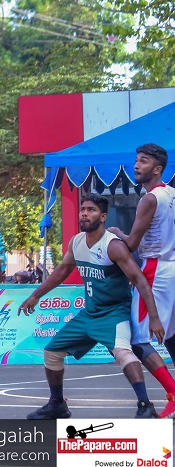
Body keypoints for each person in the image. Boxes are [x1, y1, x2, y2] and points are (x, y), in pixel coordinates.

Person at [18, 193, 165, 419]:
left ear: (103, 216)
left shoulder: (112, 246)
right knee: (51, 353)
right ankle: (57, 404)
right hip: (89, 313)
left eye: (91, 210)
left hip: (114, 313)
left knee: (124, 354)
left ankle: (146, 405)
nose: (85, 213)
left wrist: (154, 318)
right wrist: (36, 295)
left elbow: (139, 280)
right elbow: (62, 271)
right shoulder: (77, 242)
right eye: (83, 209)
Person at [106, 143, 175, 418]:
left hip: (155, 269)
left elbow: (132, 242)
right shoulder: (172, 193)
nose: (137, 165)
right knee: (170, 337)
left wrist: (115, 231)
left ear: (156, 169)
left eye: (143, 161)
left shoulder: (150, 199)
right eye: (136, 160)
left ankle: (173, 392)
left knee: (138, 341)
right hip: (170, 266)